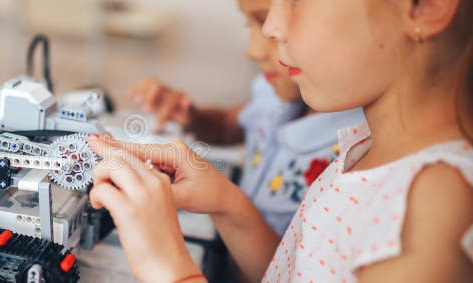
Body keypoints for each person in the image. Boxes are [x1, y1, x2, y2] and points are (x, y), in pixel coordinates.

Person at [89, 0, 473, 282]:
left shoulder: (432, 208)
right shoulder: (367, 149)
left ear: (425, 6)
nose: (271, 29)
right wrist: (227, 203)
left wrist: (167, 269)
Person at [127, 0, 364, 236]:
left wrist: (223, 203)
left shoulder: (354, 153)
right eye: (249, 26)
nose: (253, 51)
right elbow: (229, 125)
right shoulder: (272, 91)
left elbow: (290, 271)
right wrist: (193, 118)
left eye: (266, 26)